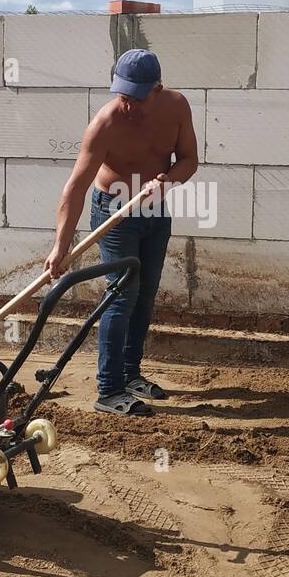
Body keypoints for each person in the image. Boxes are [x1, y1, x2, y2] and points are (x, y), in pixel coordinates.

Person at [43, 48, 198, 416]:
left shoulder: (176, 107)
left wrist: (167, 181)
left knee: (145, 295)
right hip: (114, 210)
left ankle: (130, 375)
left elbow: (189, 159)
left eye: (136, 97)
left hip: (154, 208)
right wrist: (60, 247)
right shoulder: (106, 124)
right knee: (121, 296)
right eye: (122, 95)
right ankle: (109, 390)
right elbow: (74, 189)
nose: (126, 104)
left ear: (157, 89)